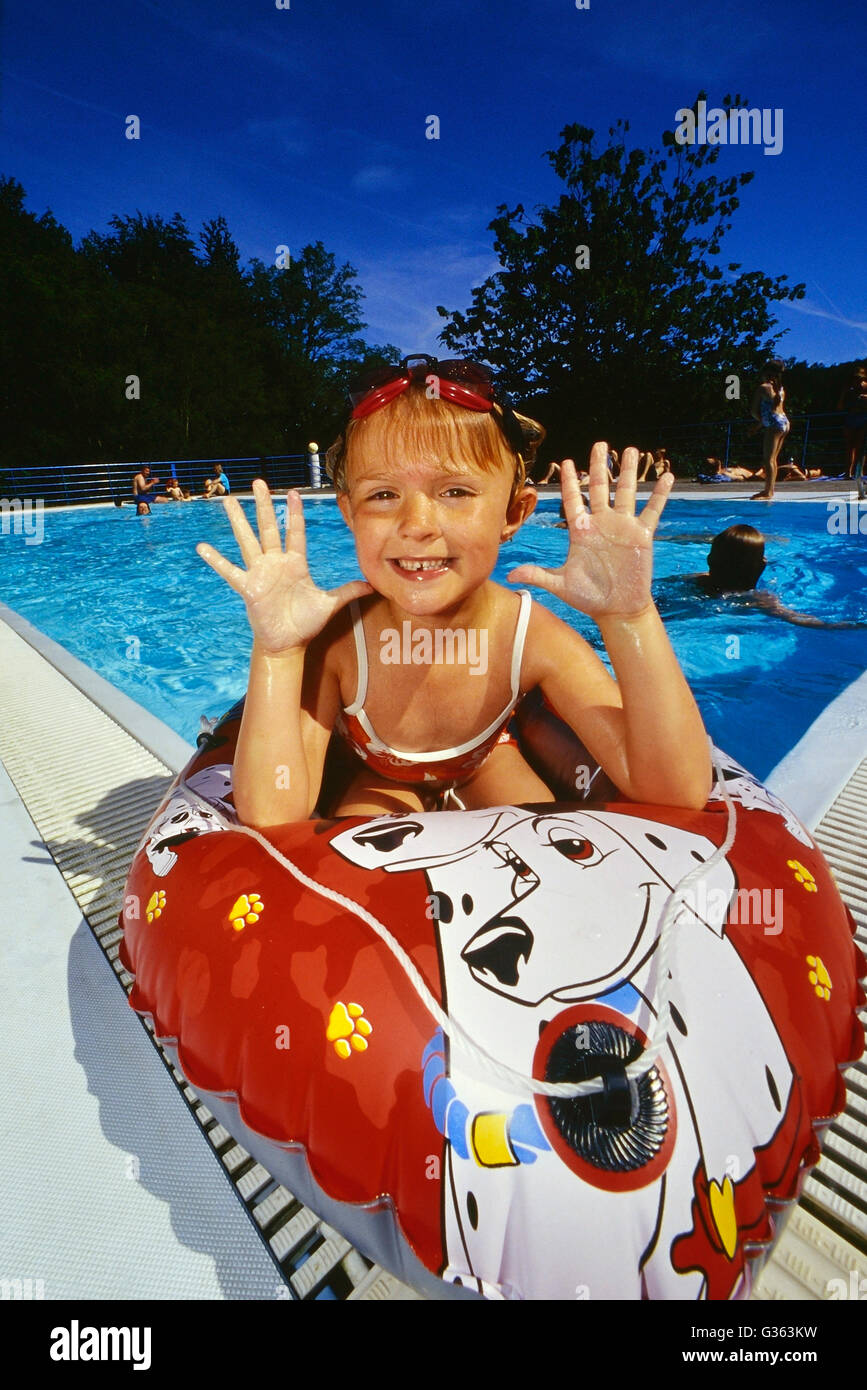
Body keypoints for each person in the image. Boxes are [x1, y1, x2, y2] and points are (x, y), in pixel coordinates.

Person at [196, 354, 712, 826]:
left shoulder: (532, 637)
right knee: (355, 858)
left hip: (488, 760)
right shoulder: (337, 644)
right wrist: (278, 652)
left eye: (455, 492)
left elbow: (676, 791)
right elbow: (273, 815)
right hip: (380, 776)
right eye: (383, 494)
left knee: (548, 842)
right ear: (350, 515)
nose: (417, 523)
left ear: (514, 514)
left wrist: (629, 619)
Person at [695, 525, 862, 628]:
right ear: (762, 566)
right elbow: (796, 618)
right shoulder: (760, 599)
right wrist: (850, 625)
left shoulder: (699, 581)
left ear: (710, 560)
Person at [749, 360, 789, 500]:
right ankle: (770, 489)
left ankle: (768, 492)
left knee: (768, 459)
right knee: (773, 460)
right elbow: (774, 411)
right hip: (783, 422)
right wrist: (758, 427)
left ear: (766, 373)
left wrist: (758, 421)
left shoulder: (763, 388)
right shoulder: (780, 389)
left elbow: (754, 411)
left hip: (773, 424)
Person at [838, 365, 867, 479]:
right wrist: (844, 395)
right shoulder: (849, 389)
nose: (858, 381)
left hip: (863, 416)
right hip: (851, 416)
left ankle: (859, 471)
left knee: (861, 446)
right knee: (850, 446)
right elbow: (840, 405)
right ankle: (848, 472)